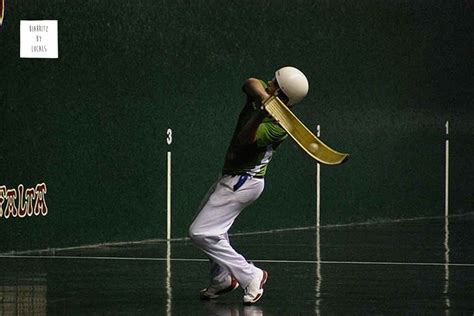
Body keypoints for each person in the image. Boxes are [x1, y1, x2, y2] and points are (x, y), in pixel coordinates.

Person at [189, 66, 309, 304]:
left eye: (274, 84)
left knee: (200, 232)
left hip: (244, 181)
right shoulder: (265, 93)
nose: (269, 83)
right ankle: (222, 279)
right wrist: (266, 99)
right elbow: (250, 82)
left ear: (284, 96)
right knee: (215, 230)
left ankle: (251, 275)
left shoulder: (280, 127)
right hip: (230, 178)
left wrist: (261, 113)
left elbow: (245, 139)